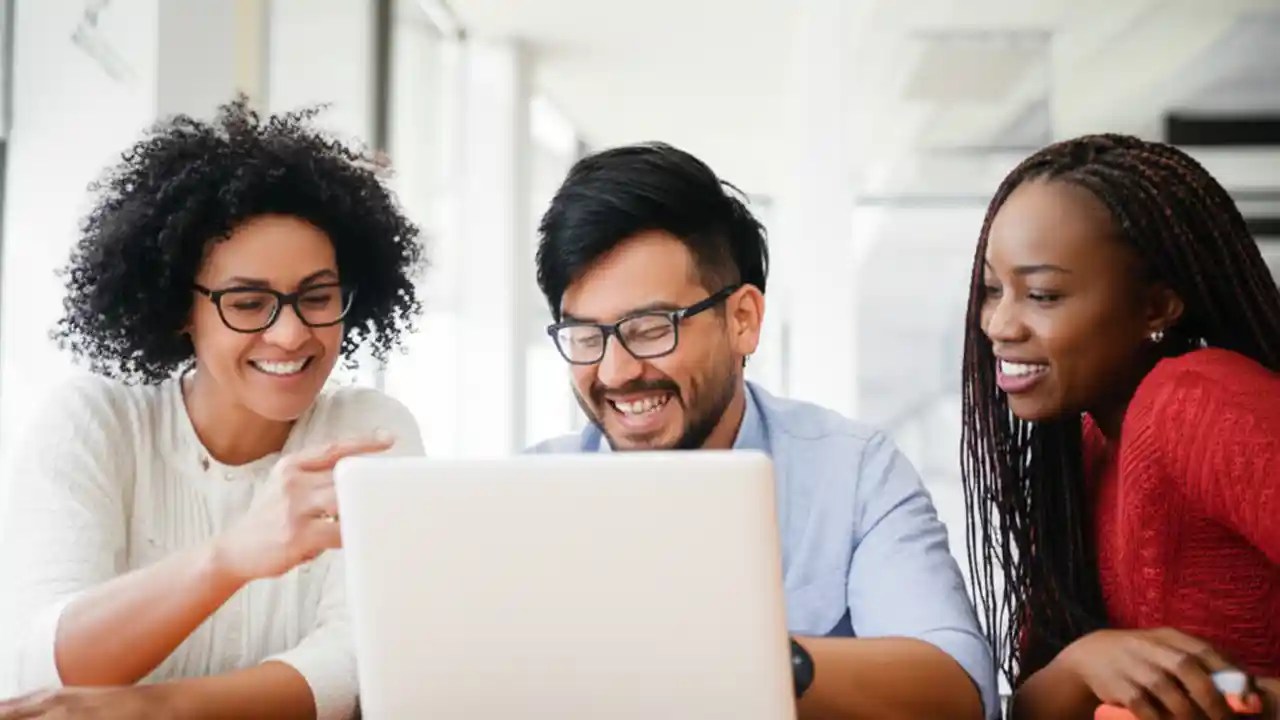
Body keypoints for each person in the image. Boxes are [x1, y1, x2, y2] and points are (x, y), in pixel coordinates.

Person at [530, 142, 997, 719]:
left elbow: (958, 692)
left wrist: (741, 660)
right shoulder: (529, 491)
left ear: (742, 320)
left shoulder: (852, 474)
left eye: (651, 328)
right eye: (585, 336)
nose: (617, 372)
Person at [0, 97, 425, 719]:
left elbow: (357, 669)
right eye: (248, 304)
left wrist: (148, 711)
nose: (290, 335)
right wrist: (231, 557)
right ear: (179, 308)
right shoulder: (95, 422)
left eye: (317, 296)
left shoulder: (370, 432)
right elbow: (40, 669)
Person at [962, 133, 1280, 720]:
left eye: (1042, 294)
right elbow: (1032, 704)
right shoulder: (1083, 447)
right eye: (991, 290)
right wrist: (1089, 660)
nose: (1000, 324)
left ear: (1157, 307)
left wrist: (1235, 697)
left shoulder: (1198, 401)